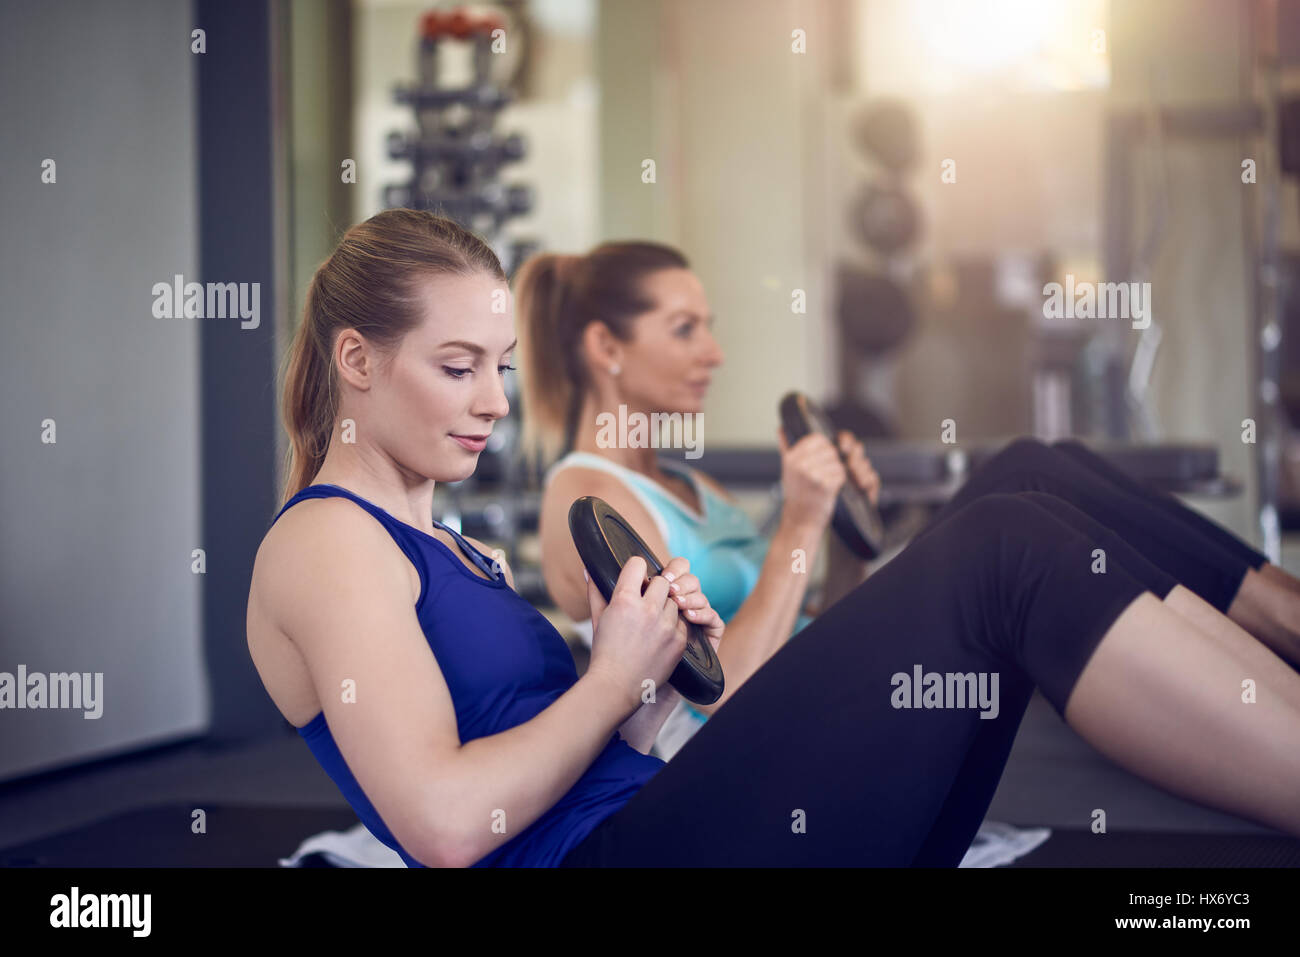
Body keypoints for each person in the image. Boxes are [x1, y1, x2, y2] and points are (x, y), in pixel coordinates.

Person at [246, 209, 1300, 867]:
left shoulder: (450, 545)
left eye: (500, 367)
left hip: (672, 816)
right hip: (624, 855)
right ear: (358, 359)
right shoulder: (326, 545)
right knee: (1003, 547)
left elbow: (577, 746)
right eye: (457, 365)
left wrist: (653, 678)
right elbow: (440, 826)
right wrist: (612, 681)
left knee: (1021, 501)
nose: (491, 401)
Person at [516, 242, 1300, 761]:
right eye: (684, 329)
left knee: (1042, 463)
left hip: (831, 669)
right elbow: (720, 695)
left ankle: (1282, 623)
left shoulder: (695, 485)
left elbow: (812, 609)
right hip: (778, 733)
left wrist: (846, 533)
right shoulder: (585, 495)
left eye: (709, 329)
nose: (714, 353)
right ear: (605, 348)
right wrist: (800, 518)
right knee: (1021, 485)